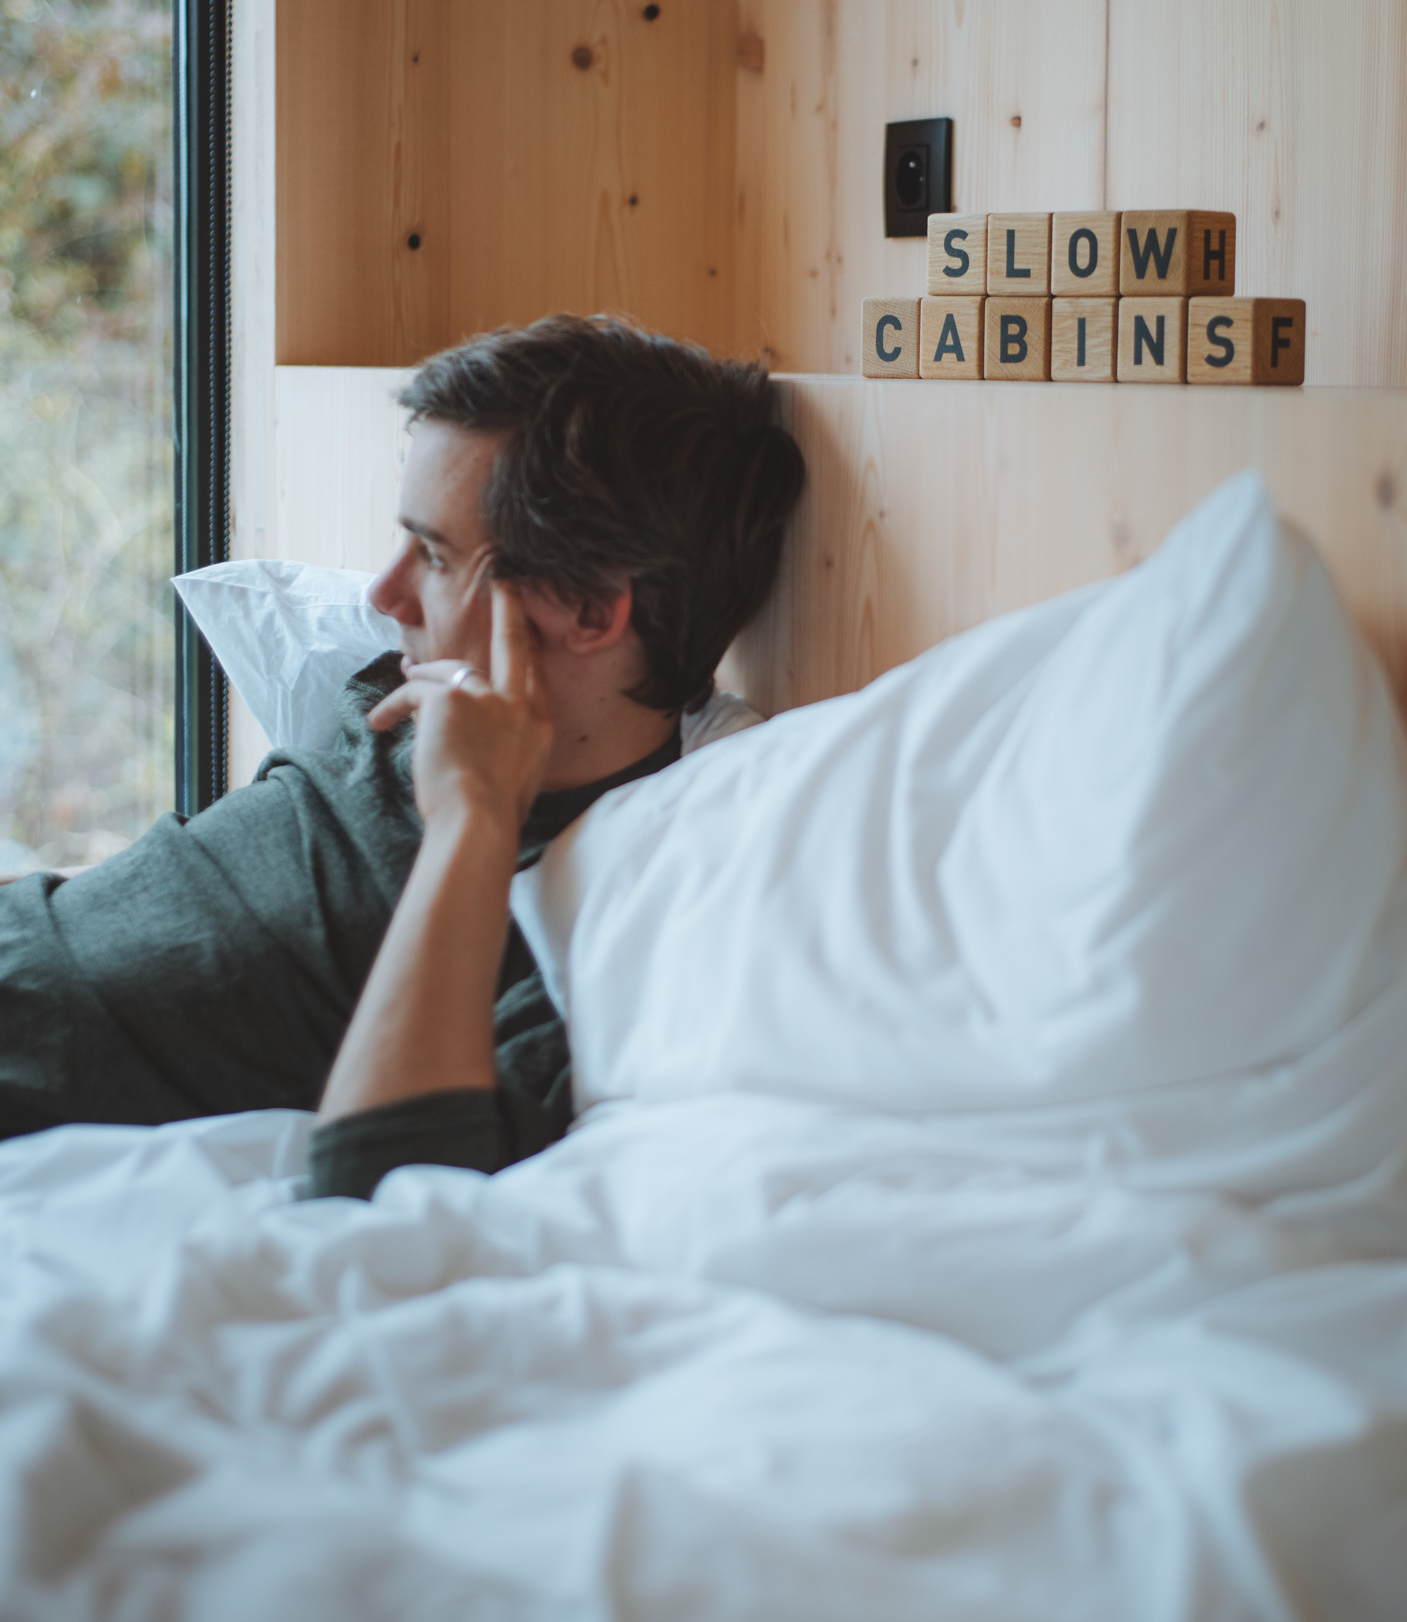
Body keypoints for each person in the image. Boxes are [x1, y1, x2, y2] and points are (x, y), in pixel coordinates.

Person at [0, 315, 805, 1197]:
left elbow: (386, 1178)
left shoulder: (595, 905)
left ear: (587, 610)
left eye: (432, 553)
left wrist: (472, 822)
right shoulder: (412, 690)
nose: (383, 595)